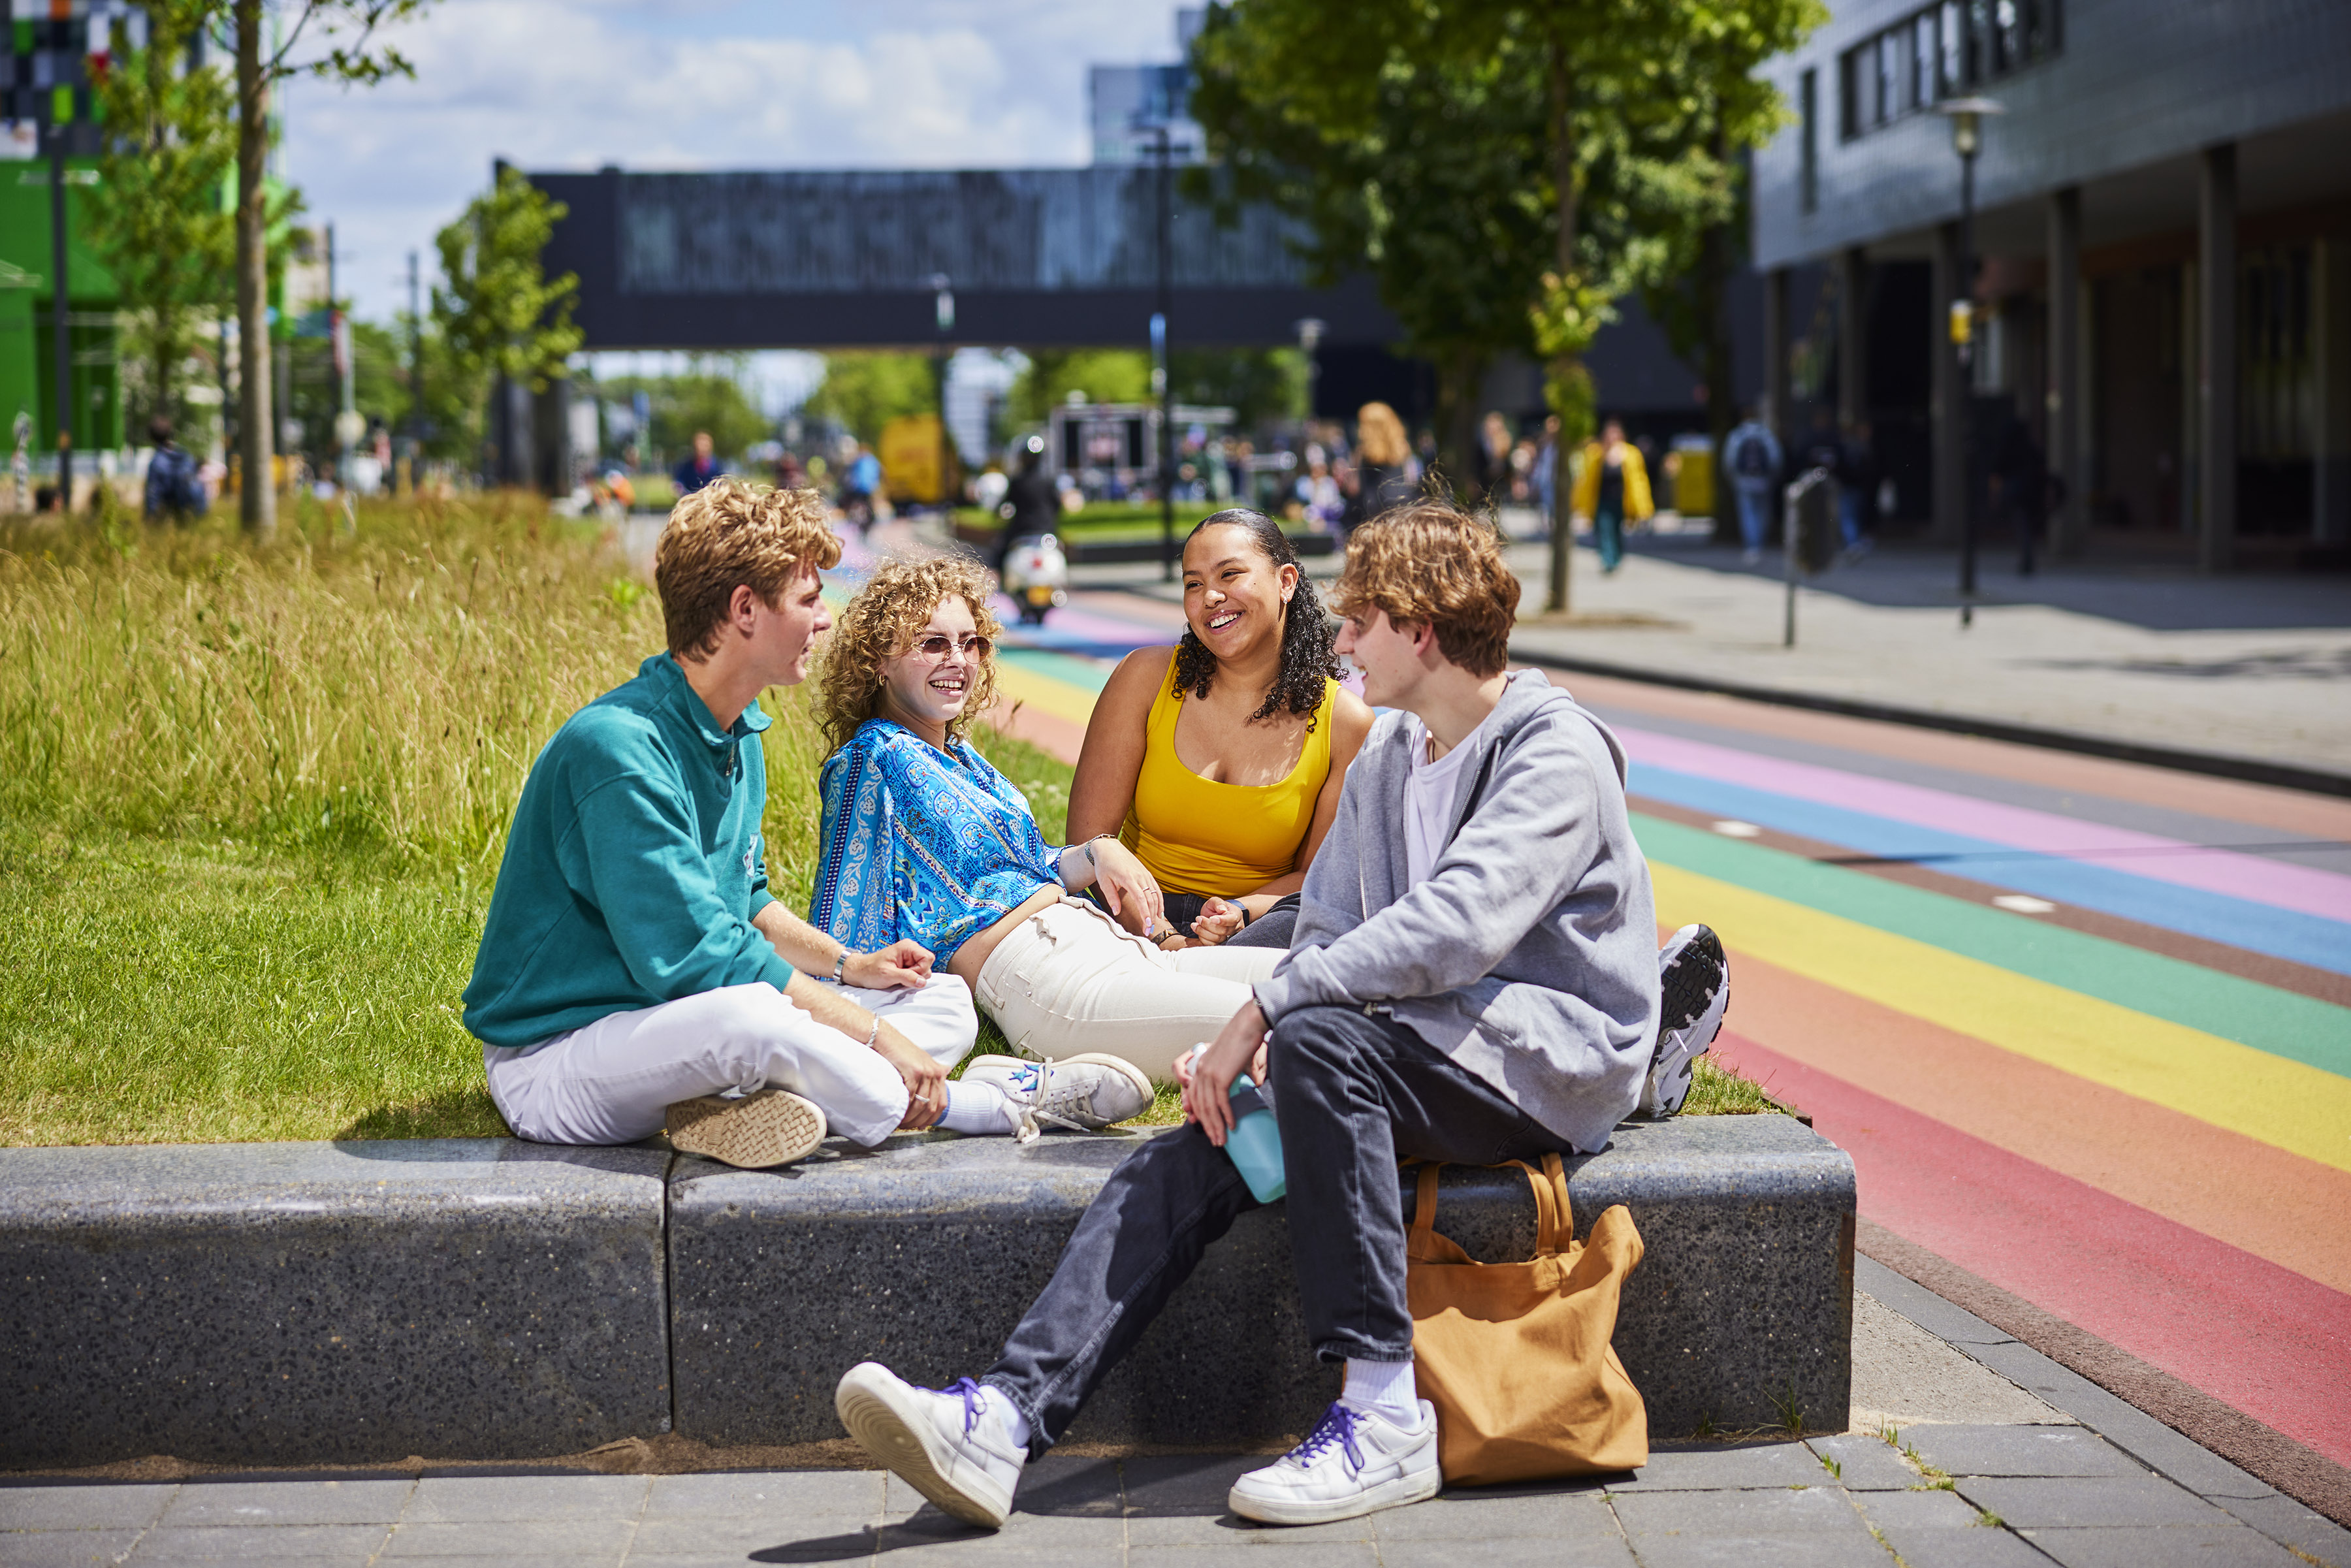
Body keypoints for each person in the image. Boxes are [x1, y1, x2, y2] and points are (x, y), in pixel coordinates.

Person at [832, 500, 1732, 1531]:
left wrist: (1262, 1010)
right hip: (1416, 1051)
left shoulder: (1550, 748)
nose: (1339, 640)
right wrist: (1260, 1038)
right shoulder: (1394, 758)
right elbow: (1332, 932)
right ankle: (1003, 1419)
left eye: (1359, 620)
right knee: (1197, 1141)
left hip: (1540, 1059)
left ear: (1420, 628)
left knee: (1316, 1042)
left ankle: (1382, 1412)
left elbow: (1461, 928)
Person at [462, 479, 1094, 1173]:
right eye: (809, 598)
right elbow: (703, 960)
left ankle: (764, 1103)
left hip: (667, 1026)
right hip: (558, 1058)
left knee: (940, 995)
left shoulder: (740, 735)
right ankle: (977, 1105)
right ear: (744, 610)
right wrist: (879, 1037)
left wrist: (854, 967)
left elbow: (750, 902)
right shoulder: (618, 750)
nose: (826, 620)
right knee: (752, 1019)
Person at [811, 556, 1287, 1085]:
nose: (959, 661)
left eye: (971, 643)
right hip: (1050, 982)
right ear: (879, 659)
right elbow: (844, 919)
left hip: (1113, 945)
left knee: (1323, 982)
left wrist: (1094, 853)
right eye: (933, 644)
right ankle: (1017, 1085)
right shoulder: (869, 758)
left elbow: (1019, 865)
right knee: (1287, 1020)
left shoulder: (964, 757)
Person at [1068, 510, 1374, 953]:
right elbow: (1089, 844)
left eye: (1230, 574)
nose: (1210, 596)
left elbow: (1316, 878)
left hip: (1254, 929)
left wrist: (1241, 912)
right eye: (1193, 583)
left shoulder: (1345, 723)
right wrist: (1165, 938)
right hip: (1130, 921)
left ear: (1286, 581)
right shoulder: (1145, 678)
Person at [1571, 418, 1654, 573]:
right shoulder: (1596, 453)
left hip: (1622, 501)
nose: (1612, 438)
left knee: (1617, 530)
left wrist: (1644, 506)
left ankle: (1616, 557)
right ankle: (1608, 560)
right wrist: (1578, 502)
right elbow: (1586, 479)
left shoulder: (1631, 454)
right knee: (1604, 529)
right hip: (1602, 500)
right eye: (1609, 435)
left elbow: (1639, 481)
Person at [1343, 401, 1416, 535]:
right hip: (1399, 517)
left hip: (1369, 521)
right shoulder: (1403, 449)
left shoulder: (1361, 453)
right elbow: (1412, 481)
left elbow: (1353, 490)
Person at [1724, 404, 1783, 565]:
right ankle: (1760, 543)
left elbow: (1730, 460)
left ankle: (1752, 546)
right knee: (1762, 513)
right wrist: (1772, 477)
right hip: (1764, 479)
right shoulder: (1766, 434)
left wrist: (1733, 478)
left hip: (1743, 479)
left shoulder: (1737, 435)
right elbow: (1775, 458)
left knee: (1748, 513)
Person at [143, 417, 207, 520]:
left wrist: (149, 517)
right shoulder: (185, 455)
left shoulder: (156, 463)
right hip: (195, 513)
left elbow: (153, 493)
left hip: (172, 515)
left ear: (152, 438)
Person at [1838, 420, 1879, 563]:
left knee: (1853, 516)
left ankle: (1855, 543)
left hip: (1859, 488)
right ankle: (1853, 543)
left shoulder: (1867, 447)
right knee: (1849, 516)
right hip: (1851, 487)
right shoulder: (1853, 447)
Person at [671, 430, 720, 497]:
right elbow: (680, 482)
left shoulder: (717, 466)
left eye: (705, 446)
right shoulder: (688, 466)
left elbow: (722, 484)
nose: (702, 450)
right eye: (698, 447)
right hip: (692, 501)